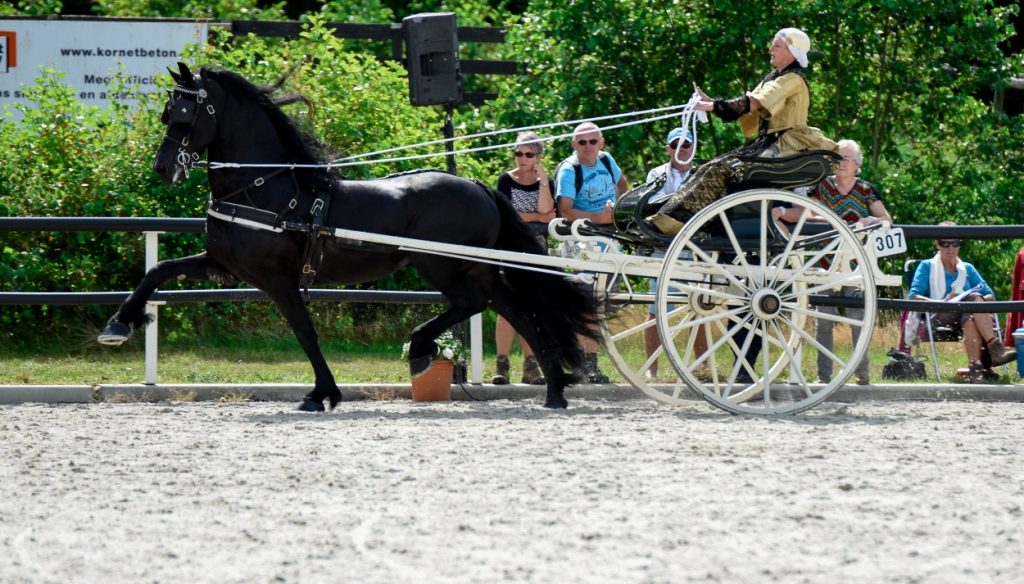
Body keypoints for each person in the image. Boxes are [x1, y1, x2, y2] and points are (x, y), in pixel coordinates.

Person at [650, 27, 837, 234]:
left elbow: (754, 103)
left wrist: (714, 106)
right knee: (708, 167)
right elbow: (745, 104)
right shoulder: (774, 77)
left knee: (719, 168)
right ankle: (675, 218)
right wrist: (711, 102)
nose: (770, 48)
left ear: (792, 51)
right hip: (769, 143)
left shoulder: (793, 79)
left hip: (786, 145)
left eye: (776, 45)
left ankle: (676, 223)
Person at [773, 139, 894, 385]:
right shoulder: (822, 186)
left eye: (846, 158)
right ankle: (823, 376)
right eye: (838, 158)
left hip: (854, 262)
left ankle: (862, 373)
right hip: (824, 260)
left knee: (857, 316)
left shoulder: (866, 190)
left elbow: (886, 219)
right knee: (823, 321)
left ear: (857, 165)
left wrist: (869, 221)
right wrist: (783, 213)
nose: (841, 163)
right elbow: (804, 211)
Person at [556, 122, 629, 382]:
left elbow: (622, 184)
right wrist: (599, 217)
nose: (588, 147)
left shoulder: (607, 161)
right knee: (587, 303)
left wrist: (620, 209)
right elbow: (565, 210)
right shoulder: (569, 170)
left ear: (601, 142)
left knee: (601, 304)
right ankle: (585, 364)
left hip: (609, 239)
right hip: (582, 240)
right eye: (582, 142)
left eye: (593, 141)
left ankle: (587, 363)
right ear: (574, 145)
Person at [907, 221, 1017, 382]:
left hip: (967, 315)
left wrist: (969, 298)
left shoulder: (968, 268)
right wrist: (943, 301)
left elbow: (990, 296)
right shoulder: (926, 267)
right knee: (973, 300)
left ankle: (975, 368)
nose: (951, 248)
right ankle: (995, 346)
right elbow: (914, 296)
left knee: (970, 313)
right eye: (945, 243)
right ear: (937, 244)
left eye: (955, 243)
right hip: (940, 314)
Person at [492, 131, 556, 385]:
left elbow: (547, 210)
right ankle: (502, 364)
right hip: (510, 248)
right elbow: (508, 213)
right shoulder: (505, 180)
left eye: (528, 154)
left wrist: (541, 182)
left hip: (537, 250)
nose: (522, 158)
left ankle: (531, 367)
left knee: (533, 309)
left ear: (538, 157)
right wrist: (538, 219)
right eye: (518, 153)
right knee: (507, 309)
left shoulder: (546, 181)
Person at [643, 127, 707, 378]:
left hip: (694, 247)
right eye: (676, 145)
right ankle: (651, 369)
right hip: (664, 245)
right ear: (668, 149)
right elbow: (657, 207)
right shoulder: (657, 174)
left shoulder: (704, 175)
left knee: (699, 308)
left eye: (687, 145)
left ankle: (702, 368)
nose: (682, 150)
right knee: (655, 307)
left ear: (693, 148)